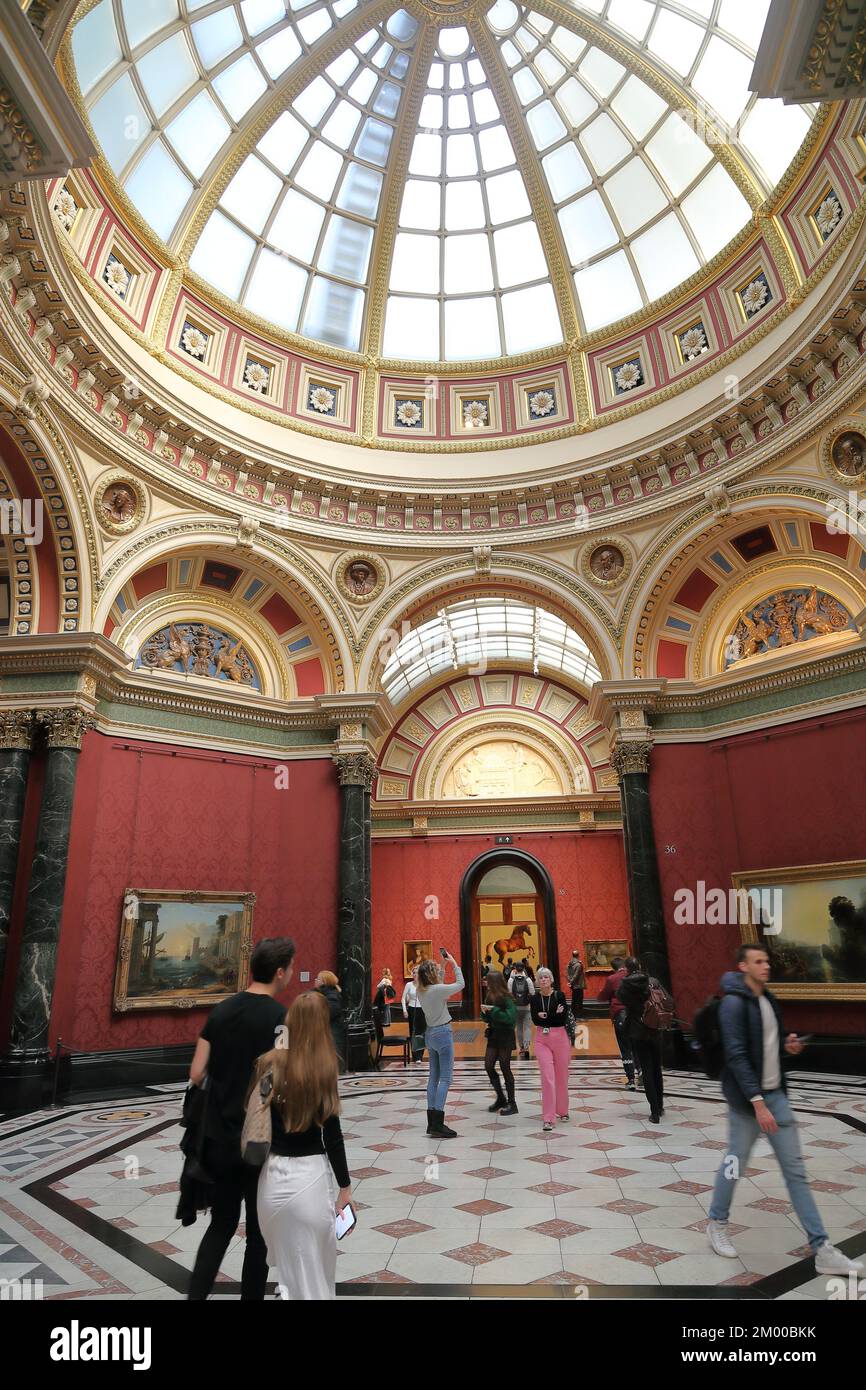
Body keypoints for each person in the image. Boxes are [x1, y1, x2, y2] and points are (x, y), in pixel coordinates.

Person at [706, 945, 863, 1276]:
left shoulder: (769, 999)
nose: (766, 966)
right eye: (758, 962)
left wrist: (787, 1047)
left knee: (795, 1172)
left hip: (776, 1096)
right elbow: (736, 1055)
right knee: (735, 1163)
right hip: (748, 1103)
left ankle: (822, 1248)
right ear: (742, 966)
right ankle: (717, 1223)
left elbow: (767, 1050)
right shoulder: (733, 1004)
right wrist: (757, 1102)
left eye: (767, 961)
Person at [187, 936, 295, 1300]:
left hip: (217, 1137)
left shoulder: (220, 1011)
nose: (292, 974)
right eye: (291, 968)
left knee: (220, 1225)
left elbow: (196, 1071)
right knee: (258, 1234)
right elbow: (281, 1080)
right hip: (257, 1141)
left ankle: (196, 1296)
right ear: (279, 972)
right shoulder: (279, 1018)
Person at [255, 992, 353, 1300]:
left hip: (271, 1182)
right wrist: (345, 1187)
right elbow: (332, 1136)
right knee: (315, 1277)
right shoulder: (325, 1069)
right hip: (308, 1181)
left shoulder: (268, 1065)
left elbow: (255, 1121)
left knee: (290, 1270)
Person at [417, 951, 464, 1138]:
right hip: (443, 1033)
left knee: (433, 1078)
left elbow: (440, 989)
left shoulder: (423, 990)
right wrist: (454, 963)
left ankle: (431, 1123)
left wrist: (442, 968)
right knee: (445, 1079)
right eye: (435, 969)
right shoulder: (436, 990)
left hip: (430, 1034)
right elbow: (461, 984)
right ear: (431, 974)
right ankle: (438, 1123)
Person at [616, 957, 664, 1123]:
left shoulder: (625, 985)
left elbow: (621, 999)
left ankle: (654, 1111)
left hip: (637, 1030)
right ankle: (661, 1105)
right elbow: (664, 1000)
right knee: (657, 1068)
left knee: (646, 1069)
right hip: (654, 1028)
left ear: (627, 969)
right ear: (640, 966)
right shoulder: (652, 981)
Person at [530, 967, 571, 1131]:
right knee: (547, 1077)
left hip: (560, 1038)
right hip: (542, 1040)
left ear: (551, 979)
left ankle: (562, 1110)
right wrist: (552, 1014)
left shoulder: (559, 995)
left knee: (562, 1076)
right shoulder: (534, 999)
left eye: (546, 977)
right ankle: (548, 1118)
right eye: (541, 978)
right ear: (538, 981)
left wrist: (545, 1015)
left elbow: (562, 1017)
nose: (544, 980)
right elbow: (534, 1019)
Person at [481, 970, 518, 1114]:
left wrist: (494, 1011)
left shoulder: (507, 997)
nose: (485, 983)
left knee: (505, 1067)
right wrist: (485, 1014)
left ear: (494, 982)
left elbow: (510, 1018)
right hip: (494, 1034)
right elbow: (487, 1017)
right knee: (489, 1065)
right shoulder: (489, 996)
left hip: (505, 1035)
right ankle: (501, 1098)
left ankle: (512, 1103)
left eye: (487, 980)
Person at [599, 956, 636, 1090]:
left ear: (613, 968)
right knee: (636, 1045)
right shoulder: (633, 975)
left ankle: (631, 1079)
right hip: (636, 1015)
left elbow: (602, 996)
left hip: (620, 1015)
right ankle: (642, 1072)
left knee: (625, 1047)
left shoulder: (612, 979)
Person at [314, 970, 345, 1072]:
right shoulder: (324, 994)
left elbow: (328, 1013)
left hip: (333, 1033)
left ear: (324, 982)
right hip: (330, 1032)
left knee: (334, 1063)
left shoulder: (332, 996)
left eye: (317, 978)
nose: (315, 980)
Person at [508, 958, 535, 1059]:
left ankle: (522, 1048)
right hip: (527, 1007)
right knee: (527, 1027)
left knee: (519, 1027)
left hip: (515, 1007)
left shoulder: (511, 980)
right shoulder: (528, 980)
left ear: (515, 969)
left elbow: (508, 993)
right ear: (523, 969)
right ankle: (527, 1048)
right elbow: (532, 993)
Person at [402, 965, 425, 1060]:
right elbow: (403, 998)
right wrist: (404, 1010)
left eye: (417, 972)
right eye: (414, 972)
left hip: (422, 1010)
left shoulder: (424, 984)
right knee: (413, 1032)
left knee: (422, 1033)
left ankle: (420, 1055)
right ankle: (415, 1055)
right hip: (412, 1009)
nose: (415, 974)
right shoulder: (409, 985)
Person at [566, 950, 585, 1016]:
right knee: (579, 1000)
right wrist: (571, 982)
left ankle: (573, 1014)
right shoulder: (578, 964)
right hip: (578, 985)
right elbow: (576, 975)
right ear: (578, 955)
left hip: (573, 985)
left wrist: (569, 982)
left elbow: (568, 973)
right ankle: (579, 1015)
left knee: (574, 999)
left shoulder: (570, 963)